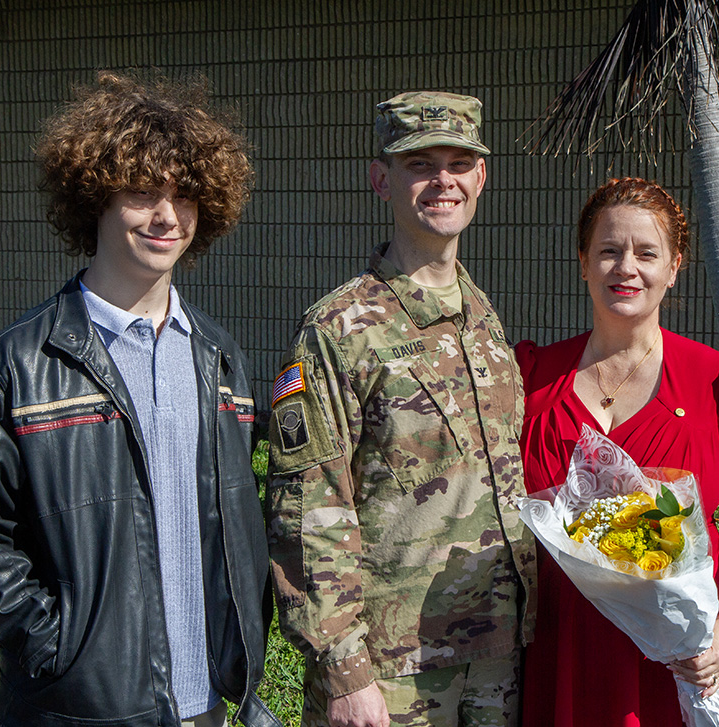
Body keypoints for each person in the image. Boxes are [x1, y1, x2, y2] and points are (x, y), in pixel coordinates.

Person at [0, 71, 278, 727]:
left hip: (208, 705)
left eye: (186, 193)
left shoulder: (219, 358)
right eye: (143, 191)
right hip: (76, 709)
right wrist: (60, 645)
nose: (167, 214)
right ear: (95, 200)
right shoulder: (13, 365)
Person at [266, 91, 537, 727]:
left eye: (458, 162)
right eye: (420, 164)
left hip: (500, 652)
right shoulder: (337, 328)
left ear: (481, 178)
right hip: (393, 669)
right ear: (381, 179)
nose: (443, 180)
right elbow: (307, 504)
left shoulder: (482, 316)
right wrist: (343, 668)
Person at [515, 177, 719, 726]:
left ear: (674, 268)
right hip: (570, 644)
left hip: (691, 649)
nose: (626, 267)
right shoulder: (530, 376)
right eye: (608, 250)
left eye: (646, 253)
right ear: (583, 263)